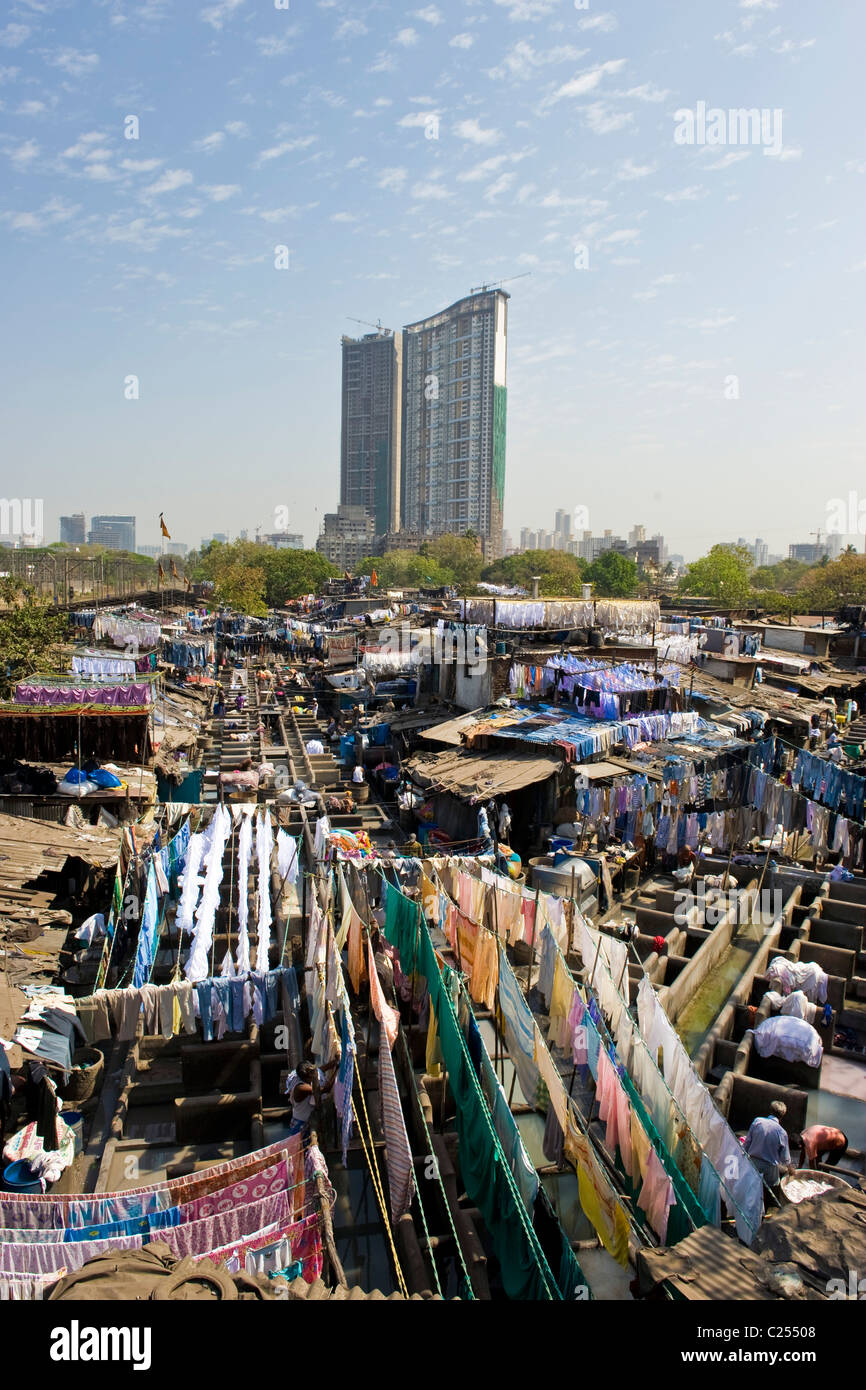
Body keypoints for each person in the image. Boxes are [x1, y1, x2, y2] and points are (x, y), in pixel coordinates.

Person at [743, 1101, 794, 1194]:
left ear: (770, 1111)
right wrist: (791, 1170)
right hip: (769, 1169)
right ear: (782, 1116)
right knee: (771, 1190)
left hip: (752, 1163)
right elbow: (786, 1159)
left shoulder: (757, 1121)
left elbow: (747, 1143)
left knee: (749, 1190)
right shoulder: (782, 1132)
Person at [284, 1060, 339, 1138]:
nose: (314, 1077)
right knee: (302, 1147)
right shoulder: (301, 1087)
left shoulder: (306, 1076)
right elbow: (326, 1089)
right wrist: (337, 1070)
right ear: (305, 1077)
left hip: (306, 1120)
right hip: (300, 1124)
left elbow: (322, 1069)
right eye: (311, 1076)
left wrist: (336, 1061)